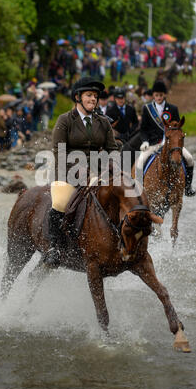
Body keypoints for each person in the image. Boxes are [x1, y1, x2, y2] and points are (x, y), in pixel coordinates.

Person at [44, 77, 118, 267]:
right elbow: (59, 151)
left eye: (95, 96)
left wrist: (111, 164)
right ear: (78, 97)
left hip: (97, 172)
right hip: (66, 172)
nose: (93, 99)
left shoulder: (102, 122)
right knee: (60, 202)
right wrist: (77, 170)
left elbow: (113, 148)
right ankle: (54, 247)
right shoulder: (65, 120)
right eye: (89, 95)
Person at [138, 81, 196, 196]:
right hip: (154, 143)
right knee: (140, 162)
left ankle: (188, 187)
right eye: (156, 95)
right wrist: (145, 141)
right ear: (153, 95)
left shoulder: (173, 108)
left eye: (160, 95)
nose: (158, 97)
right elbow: (143, 129)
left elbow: (178, 127)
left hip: (172, 144)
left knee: (189, 159)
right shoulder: (147, 109)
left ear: (164, 95)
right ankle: (138, 191)